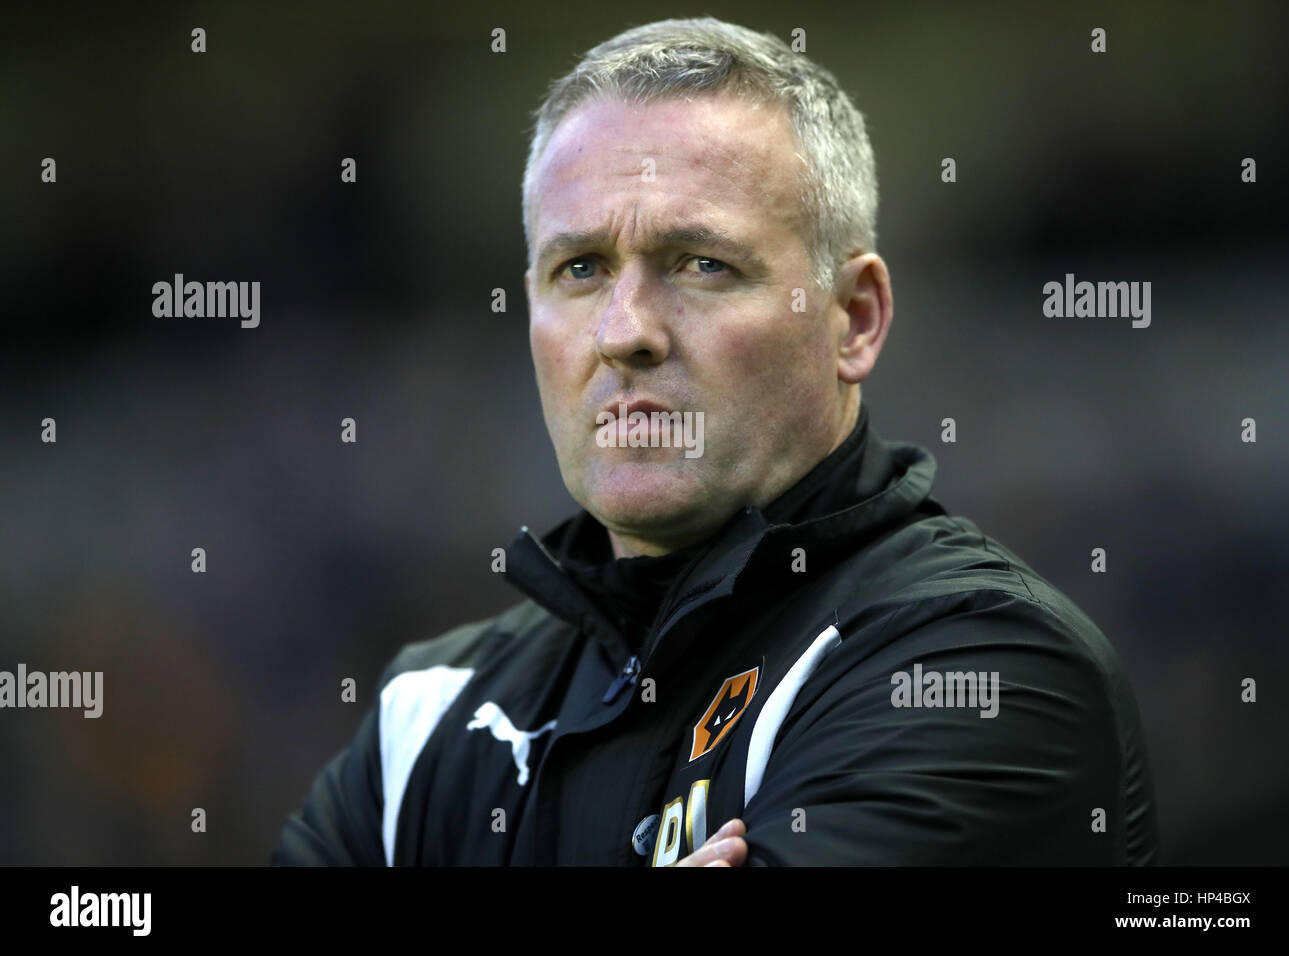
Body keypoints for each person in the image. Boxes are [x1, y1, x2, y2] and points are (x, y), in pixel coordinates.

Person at [272, 16, 1157, 866]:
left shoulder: (983, 668)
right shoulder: (424, 720)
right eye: (579, 269)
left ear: (853, 320)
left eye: (702, 264)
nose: (624, 331)